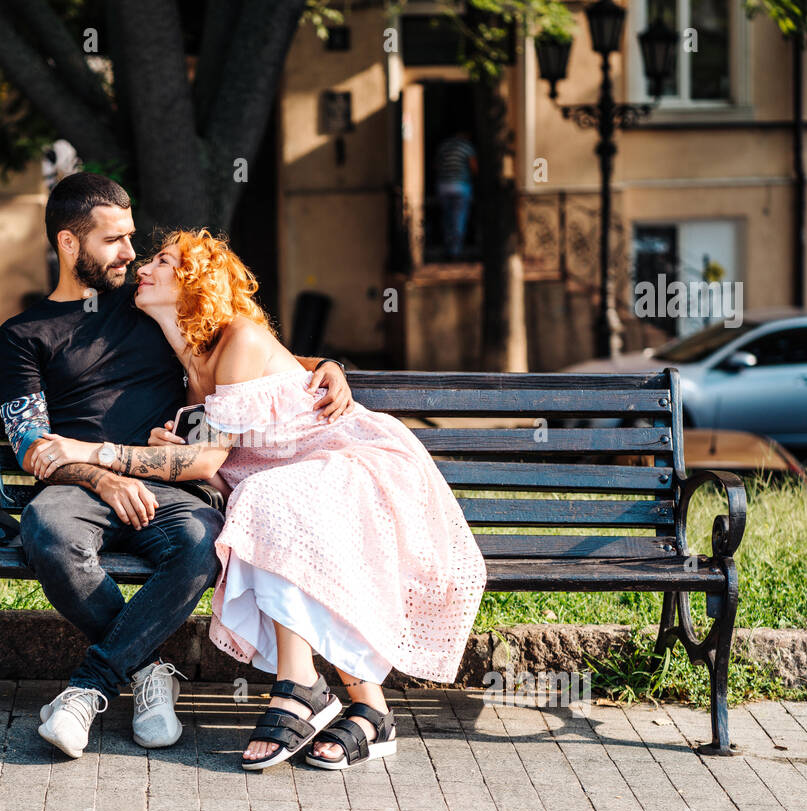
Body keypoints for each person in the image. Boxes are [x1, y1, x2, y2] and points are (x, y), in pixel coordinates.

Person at [26, 228, 487, 771]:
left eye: (165, 262)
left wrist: (91, 451)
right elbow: (205, 451)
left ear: (196, 282)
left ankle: (300, 686)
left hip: (357, 462)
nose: (144, 268)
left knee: (266, 502)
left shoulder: (237, 340)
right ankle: (371, 713)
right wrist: (172, 447)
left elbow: (205, 463)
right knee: (267, 507)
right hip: (298, 488)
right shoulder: (190, 368)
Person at [0, 173, 353, 759]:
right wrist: (103, 477)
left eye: (134, 240)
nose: (132, 255)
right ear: (68, 244)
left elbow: (242, 349)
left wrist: (323, 363)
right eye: (115, 241)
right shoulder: (22, 337)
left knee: (205, 540)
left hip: (170, 482)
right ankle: (148, 669)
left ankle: (88, 688)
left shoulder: (148, 309)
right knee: (46, 531)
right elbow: (32, 445)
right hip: (82, 487)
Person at [435, 132, 477, 260]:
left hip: (443, 186)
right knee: (458, 218)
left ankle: (449, 247)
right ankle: (455, 251)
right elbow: (474, 168)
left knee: (447, 218)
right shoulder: (467, 147)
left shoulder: (444, 146)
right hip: (461, 186)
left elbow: (436, 165)